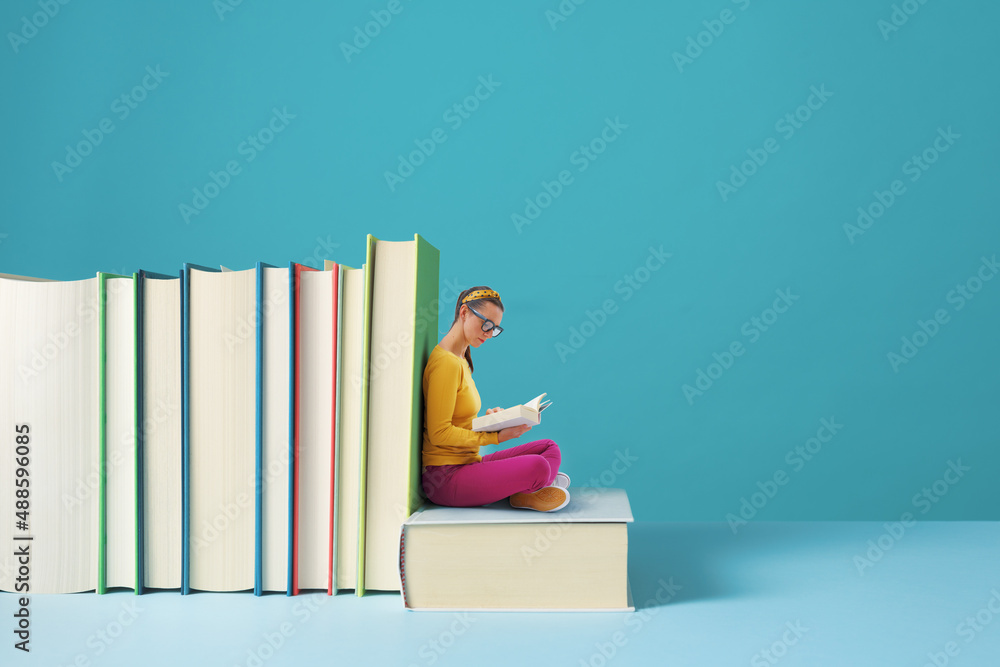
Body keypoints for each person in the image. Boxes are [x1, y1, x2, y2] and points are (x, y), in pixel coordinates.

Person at [420, 286, 570, 512]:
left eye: (494, 328)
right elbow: (439, 433)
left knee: (549, 448)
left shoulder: (461, 359)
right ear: (464, 313)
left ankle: (523, 491)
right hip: (445, 477)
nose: (489, 334)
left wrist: (491, 422)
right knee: (538, 466)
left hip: (469, 463)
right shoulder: (446, 363)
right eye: (486, 324)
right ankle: (527, 490)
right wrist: (495, 437)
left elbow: (458, 421)